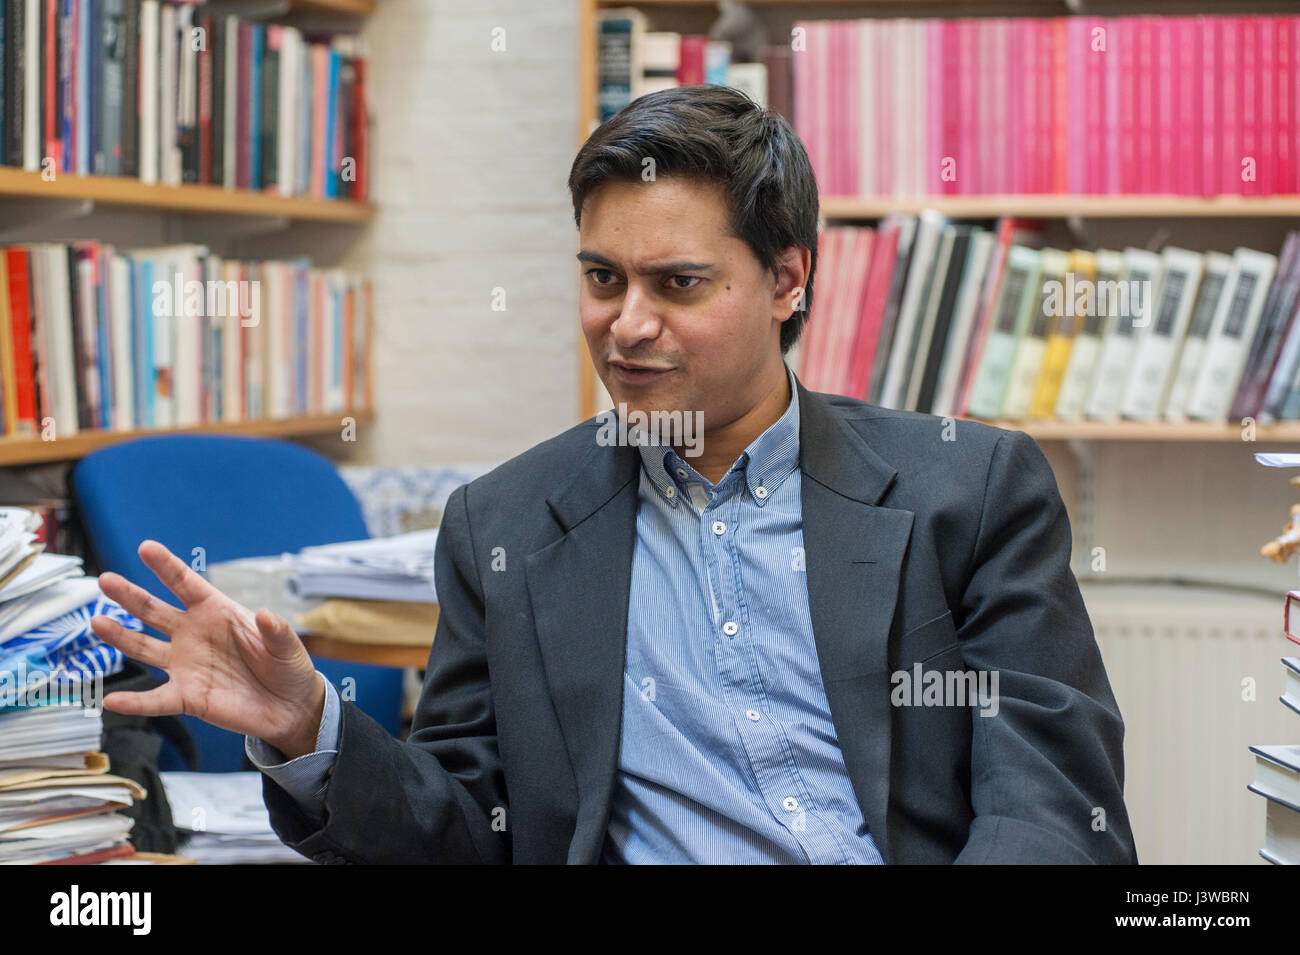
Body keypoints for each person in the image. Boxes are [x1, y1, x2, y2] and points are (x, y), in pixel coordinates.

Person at [92, 85, 1137, 864]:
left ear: (785, 279)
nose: (626, 325)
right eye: (602, 278)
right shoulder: (503, 524)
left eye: (678, 283)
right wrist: (307, 723)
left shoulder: (969, 490)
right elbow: (465, 825)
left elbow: (1048, 805)